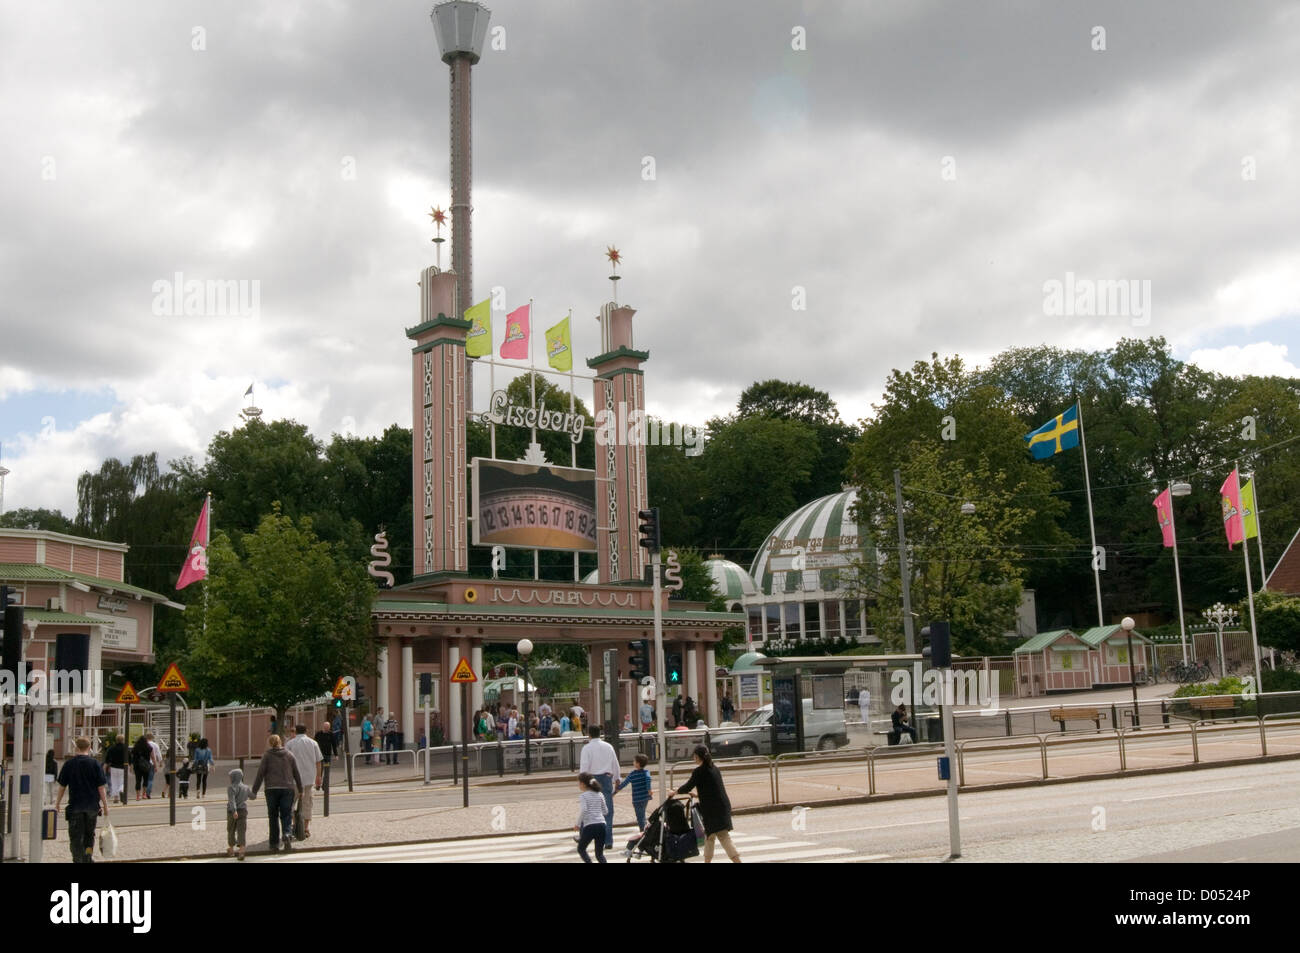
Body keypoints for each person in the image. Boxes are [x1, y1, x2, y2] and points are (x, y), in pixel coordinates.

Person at [675, 744, 740, 863]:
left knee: (722, 836)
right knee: (710, 836)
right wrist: (698, 795)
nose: (693, 758)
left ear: (698, 757)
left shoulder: (699, 771)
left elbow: (688, 786)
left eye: (694, 756)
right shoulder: (714, 768)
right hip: (721, 806)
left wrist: (674, 792)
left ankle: (737, 861)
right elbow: (714, 789)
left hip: (713, 811)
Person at [54, 736, 109, 864]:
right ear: (89, 748)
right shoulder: (95, 764)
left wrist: (57, 803)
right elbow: (101, 787)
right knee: (90, 836)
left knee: (75, 837)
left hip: (75, 807)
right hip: (92, 807)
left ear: (76, 747)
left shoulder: (69, 764)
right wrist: (105, 805)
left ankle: (77, 859)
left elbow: (62, 786)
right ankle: (88, 857)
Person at [250, 734, 303, 852]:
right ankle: (287, 834)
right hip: (287, 788)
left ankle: (274, 844)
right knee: (286, 814)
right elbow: (296, 773)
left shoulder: (267, 756)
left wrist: (254, 791)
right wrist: (300, 789)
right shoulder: (289, 755)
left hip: (271, 789)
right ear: (281, 742)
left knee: (273, 816)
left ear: (270, 743)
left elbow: (260, 774)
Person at [578, 725, 620, 849]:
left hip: (592, 778)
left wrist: (582, 780)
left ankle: (583, 837)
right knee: (607, 810)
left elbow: (584, 766)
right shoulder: (608, 746)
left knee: (588, 808)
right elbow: (615, 763)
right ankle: (607, 841)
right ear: (600, 733)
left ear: (589, 734)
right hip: (606, 778)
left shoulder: (586, 748)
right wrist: (617, 778)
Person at [285, 724, 323, 839]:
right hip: (309, 778)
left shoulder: (290, 744)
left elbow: (285, 761)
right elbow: (318, 761)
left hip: (293, 779)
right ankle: (306, 828)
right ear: (306, 730)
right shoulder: (313, 743)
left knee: (290, 804)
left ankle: (295, 824)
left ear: (295, 731)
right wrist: (318, 776)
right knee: (307, 803)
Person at [575, 773, 608, 863]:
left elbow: (584, 810)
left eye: (579, 783)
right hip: (602, 825)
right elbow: (605, 811)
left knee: (581, 849)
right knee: (599, 854)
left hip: (590, 826)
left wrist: (577, 824)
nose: (578, 785)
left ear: (584, 784)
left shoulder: (583, 796)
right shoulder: (600, 794)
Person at [615, 753, 652, 831]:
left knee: (640, 816)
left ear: (638, 763)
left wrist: (616, 791)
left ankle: (643, 832)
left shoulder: (632, 774)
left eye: (634, 761)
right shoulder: (646, 772)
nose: (633, 762)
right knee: (642, 814)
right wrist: (649, 790)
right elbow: (648, 779)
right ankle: (645, 830)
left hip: (637, 799)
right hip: (645, 797)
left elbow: (624, 783)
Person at [226, 767, 251, 860]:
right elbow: (252, 796)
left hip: (232, 812)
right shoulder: (246, 787)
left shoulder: (231, 787)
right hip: (243, 811)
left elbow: (232, 800)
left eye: (231, 776)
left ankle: (231, 850)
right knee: (242, 831)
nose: (229, 778)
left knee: (231, 830)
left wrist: (234, 811)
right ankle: (241, 851)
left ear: (234, 777)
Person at [105, 733, 127, 804]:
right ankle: (121, 790)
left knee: (114, 782)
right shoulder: (126, 748)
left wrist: (106, 767)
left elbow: (107, 759)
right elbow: (130, 758)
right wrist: (131, 767)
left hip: (113, 767)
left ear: (116, 740)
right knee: (123, 782)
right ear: (123, 740)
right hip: (123, 768)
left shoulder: (111, 748)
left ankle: (116, 798)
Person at [130, 734, 152, 800]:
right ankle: (144, 794)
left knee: (138, 781)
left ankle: (137, 796)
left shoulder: (135, 748)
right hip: (146, 766)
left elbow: (133, 758)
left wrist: (131, 766)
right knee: (145, 780)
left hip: (137, 766)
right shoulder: (148, 748)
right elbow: (151, 754)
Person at [145, 731, 163, 797]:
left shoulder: (144, 744)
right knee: (150, 779)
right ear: (152, 737)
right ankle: (148, 792)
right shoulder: (155, 745)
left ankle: (144, 792)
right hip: (152, 763)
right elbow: (159, 754)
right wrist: (160, 762)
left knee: (145, 779)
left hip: (144, 764)